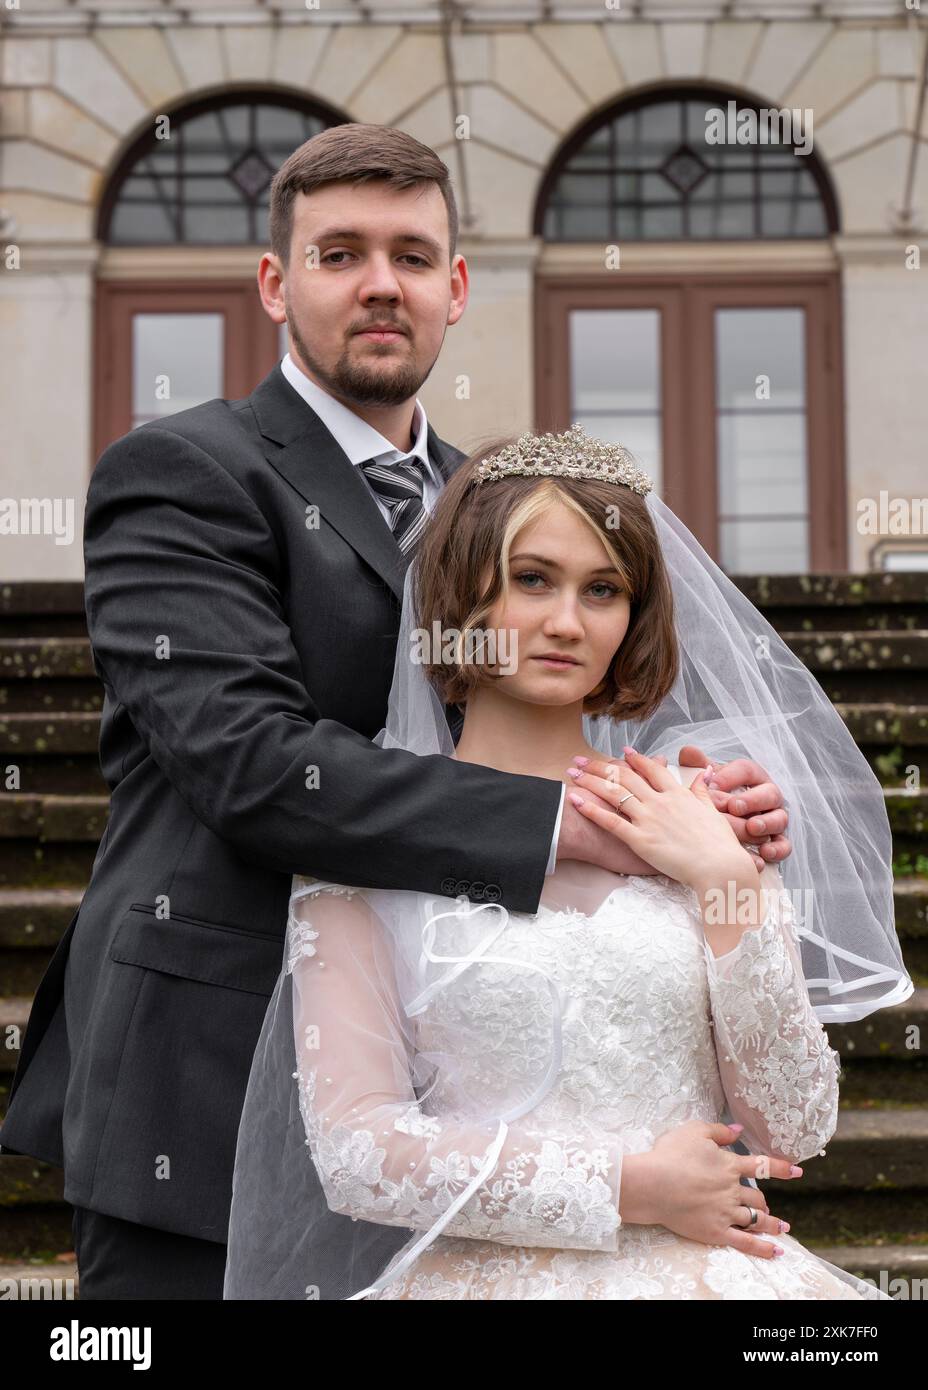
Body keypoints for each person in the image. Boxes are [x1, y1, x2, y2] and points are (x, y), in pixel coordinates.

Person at [0, 124, 788, 1300]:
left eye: (413, 256)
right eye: (340, 253)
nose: (382, 283)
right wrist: (577, 822)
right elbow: (251, 762)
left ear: (456, 287)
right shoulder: (184, 472)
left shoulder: (507, 504)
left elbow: (571, 710)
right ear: (276, 282)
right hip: (204, 1078)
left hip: (486, 1111)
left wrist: (695, 808)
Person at [223, 425, 911, 1301]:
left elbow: (796, 1124)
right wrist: (627, 1186)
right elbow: (361, 1154)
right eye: (532, 579)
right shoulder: (361, 851)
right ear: (459, 593)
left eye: (603, 589)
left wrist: (732, 887)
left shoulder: (701, 819)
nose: (565, 622)